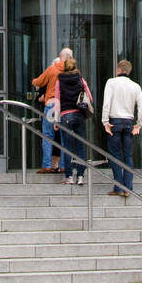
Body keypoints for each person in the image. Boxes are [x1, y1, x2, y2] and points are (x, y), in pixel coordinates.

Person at [102, 60, 142, 196]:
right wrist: (138, 125)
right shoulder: (135, 86)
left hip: (114, 121)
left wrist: (105, 121)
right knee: (128, 156)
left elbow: (106, 103)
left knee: (115, 155)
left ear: (118, 70)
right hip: (128, 122)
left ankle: (119, 187)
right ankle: (128, 187)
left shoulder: (111, 82)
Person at [31, 48, 70, 173]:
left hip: (51, 106)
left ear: (60, 56)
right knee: (64, 137)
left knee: (47, 136)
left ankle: (47, 165)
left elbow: (38, 81)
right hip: (65, 107)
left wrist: (34, 81)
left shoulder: (52, 69)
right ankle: (64, 165)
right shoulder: (73, 71)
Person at [57, 54, 92, 185]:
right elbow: (90, 98)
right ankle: (81, 176)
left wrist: (56, 119)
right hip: (79, 115)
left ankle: (69, 176)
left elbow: (57, 100)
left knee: (67, 147)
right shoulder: (81, 80)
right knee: (80, 146)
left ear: (65, 67)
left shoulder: (59, 81)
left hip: (66, 115)